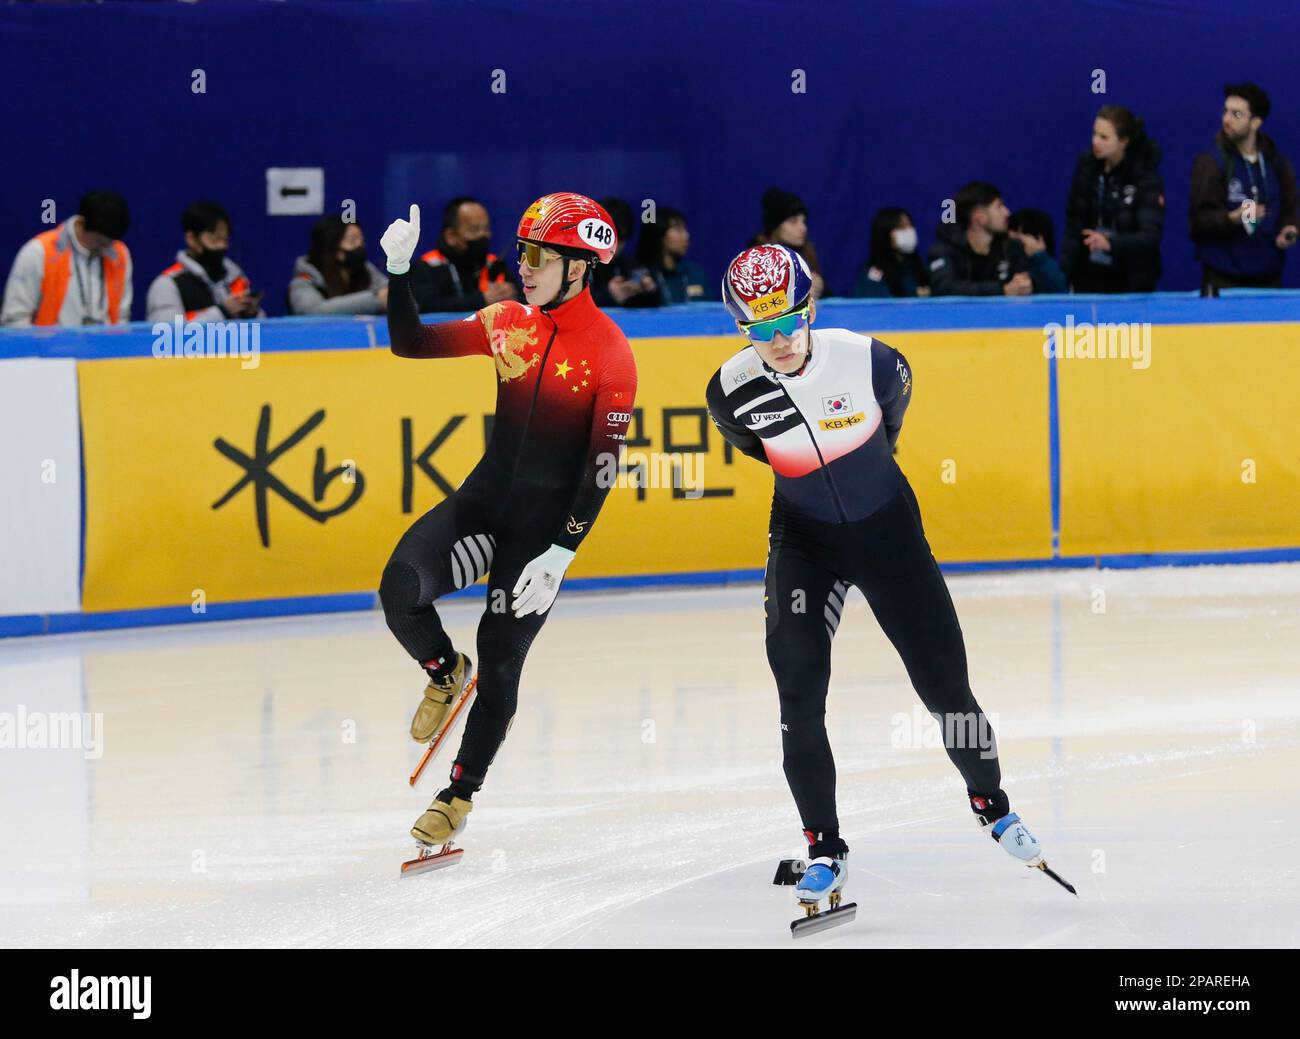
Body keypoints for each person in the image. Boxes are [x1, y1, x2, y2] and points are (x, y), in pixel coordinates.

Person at [705, 244, 1059, 917]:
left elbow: (890, 425)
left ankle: (991, 802)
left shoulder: (871, 361)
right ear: (739, 328)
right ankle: (823, 847)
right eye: (759, 329)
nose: (777, 341)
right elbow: (754, 445)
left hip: (888, 536)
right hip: (803, 541)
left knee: (945, 687)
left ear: (810, 307)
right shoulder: (728, 390)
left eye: (787, 321)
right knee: (797, 692)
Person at [378, 193, 637, 856]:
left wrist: (560, 554)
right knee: (400, 587)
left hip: (540, 536)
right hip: (482, 506)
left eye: (538, 255)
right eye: (522, 251)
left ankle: (458, 794)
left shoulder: (611, 354)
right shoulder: (505, 321)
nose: (523, 266)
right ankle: (442, 669)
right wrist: (400, 271)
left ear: (580, 267)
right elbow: (411, 344)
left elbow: (601, 467)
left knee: (501, 661)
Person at [1190, 82, 1299, 291]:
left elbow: (1291, 207)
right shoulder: (1212, 162)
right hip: (1224, 278)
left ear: (1256, 122)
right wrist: (1232, 218)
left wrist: (1290, 229)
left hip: (1269, 277)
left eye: (1237, 114)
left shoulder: (1275, 162)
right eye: (1225, 112)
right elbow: (1198, 222)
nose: (1226, 120)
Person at [1061, 106, 1165, 293]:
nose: (1095, 142)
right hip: (1088, 274)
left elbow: (1150, 235)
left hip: (1130, 279)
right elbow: (1073, 223)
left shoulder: (1144, 176)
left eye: (1104, 137)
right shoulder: (1087, 167)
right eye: (1094, 134)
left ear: (1124, 141)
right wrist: (1066, 269)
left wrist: (1111, 243)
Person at [2, 190, 132, 327]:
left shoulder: (119, 253)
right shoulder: (39, 252)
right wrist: (38, 348)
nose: (106, 248)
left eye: (110, 243)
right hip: (49, 347)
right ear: (81, 224)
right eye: (99, 241)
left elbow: (122, 317)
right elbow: (15, 318)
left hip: (103, 347)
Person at [928, 182, 1066, 295]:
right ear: (980, 217)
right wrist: (1001, 290)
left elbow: (1057, 287)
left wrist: (1030, 284)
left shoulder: (1012, 247)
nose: (1007, 212)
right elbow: (944, 288)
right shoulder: (944, 250)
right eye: (999, 206)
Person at [147, 200, 264, 322]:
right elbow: (165, 335)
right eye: (214, 240)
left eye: (225, 240)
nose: (221, 246)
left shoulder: (236, 278)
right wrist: (222, 312)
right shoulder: (167, 285)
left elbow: (261, 333)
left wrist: (253, 314)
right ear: (191, 239)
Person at [409, 196, 519, 313]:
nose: (483, 235)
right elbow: (427, 306)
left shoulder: (494, 264)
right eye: (474, 229)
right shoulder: (428, 266)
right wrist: (482, 300)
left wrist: (511, 296)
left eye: (486, 228)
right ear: (451, 236)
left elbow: (523, 300)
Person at [287, 215, 389, 314]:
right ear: (332, 246)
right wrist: (375, 300)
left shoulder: (365, 269)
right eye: (352, 241)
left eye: (361, 241)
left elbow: (388, 291)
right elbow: (311, 311)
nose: (360, 246)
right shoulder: (306, 278)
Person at [751, 187, 825, 298]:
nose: (803, 228)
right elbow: (752, 308)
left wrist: (820, 288)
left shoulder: (807, 252)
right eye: (793, 222)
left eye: (804, 221)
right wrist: (796, 296)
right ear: (776, 227)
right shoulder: (754, 260)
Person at [591, 196, 660, 307]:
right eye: (612, 235)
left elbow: (655, 302)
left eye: (622, 237)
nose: (616, 244)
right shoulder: (578, 266)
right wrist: (608, 296)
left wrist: (649, 291)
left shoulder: (628, 265)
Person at [634, 207, 709, 303]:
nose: (686, 235)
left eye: (685, 230)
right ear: (660, 234)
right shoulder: (643, 277)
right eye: (678, 230)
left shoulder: (695, 273)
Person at [851, 208, 930, 298]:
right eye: (902, 227)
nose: (909, 231)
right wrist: (916, 295)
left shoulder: (918, 267)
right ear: (885, 233)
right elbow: (877, 306)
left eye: (910, 225)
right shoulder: (872, 275)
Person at [1008, 208, 1069, 291]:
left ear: (1040, 240)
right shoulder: (1015, 264)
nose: (1014, 240)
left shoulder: (1049, 270)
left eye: (1020, 234)